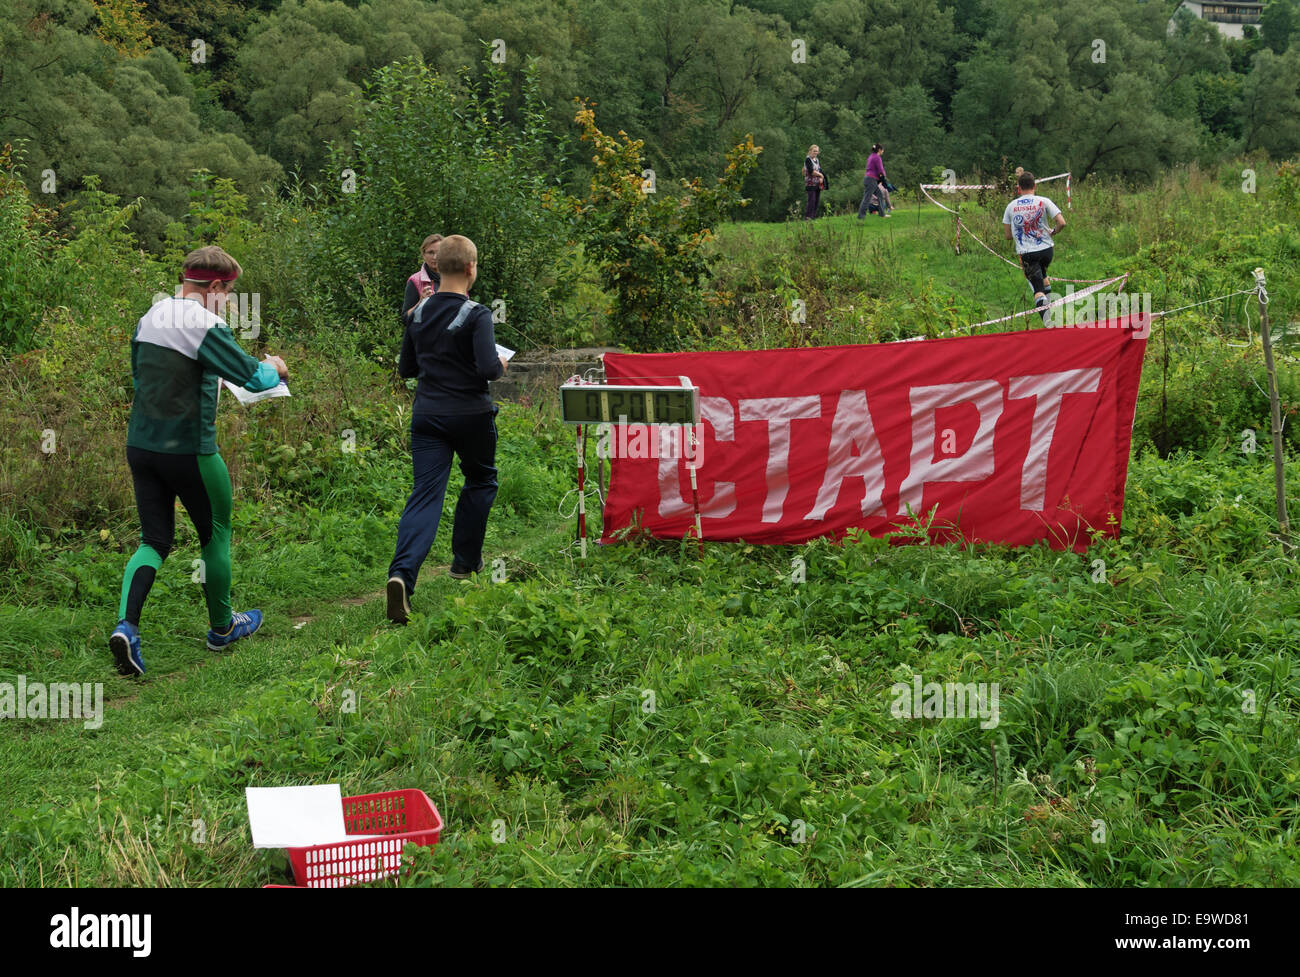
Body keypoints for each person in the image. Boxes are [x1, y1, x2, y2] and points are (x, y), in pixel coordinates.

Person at [109, 246, 289, 676]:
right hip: (190, 451)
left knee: (153, 540)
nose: (227, 301)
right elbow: (252, 376)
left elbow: (141, 376)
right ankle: (222, 629)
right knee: (217, 534)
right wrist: (275, 366)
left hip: (141, 446)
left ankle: (126, 628)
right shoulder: (207, 324)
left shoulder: (150, 316)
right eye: (228, 293)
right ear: (213, 287)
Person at [386, 235, 509, 625]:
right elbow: (490, 369)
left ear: (437, 268)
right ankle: (465, 562)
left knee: (424, 495)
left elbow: (406, 369)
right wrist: (500, 364)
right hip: (470, 415)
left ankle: (401, 575)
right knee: (481, 481)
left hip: (428, 416)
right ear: (471, 268)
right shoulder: (477, 314)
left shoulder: (417, 314)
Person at [1002, 171, 1066, 321]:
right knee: (1042, 275)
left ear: (1018, 188)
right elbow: (1062, 222)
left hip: (1027, 253)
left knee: (1037, 289)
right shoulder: (1044, 201)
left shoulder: (1011, 206)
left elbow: (1007, 236)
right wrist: (1053, 232)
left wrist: (1021, 232)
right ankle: (1048, 307)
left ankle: (1048, 323)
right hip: (1047, 250)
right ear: (1034, 186)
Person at [402, 234, 442, 324]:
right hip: (426, 336)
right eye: (431, 252)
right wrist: (420, 303)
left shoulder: (455, 278)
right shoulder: (415, 280)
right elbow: (405, 319)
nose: (435, 257)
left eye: (439, 252)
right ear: (423, 255)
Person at [857, 144, 891, 219]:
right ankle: (861, 216)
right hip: (871, 180)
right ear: (879, 150)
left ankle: (882, 214)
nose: (883, 151)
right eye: (882, 150)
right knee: (867, 198)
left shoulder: (871, 156)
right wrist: (883, 177)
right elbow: (880, 169)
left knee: (880, 195)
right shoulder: (877, 157)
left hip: (868, 179)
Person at [803, 145, 825, 219]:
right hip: (810, 184)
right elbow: (811, 171)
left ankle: (813, 217)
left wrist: (822, 178)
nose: (815, 152)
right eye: (814, 151)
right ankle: (808, 218)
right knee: (811, 201)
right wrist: (821, 175)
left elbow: (819, 169)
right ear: (810, 151)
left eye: (817, 151)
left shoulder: (817, 160)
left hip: (817, 183)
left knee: (816, 201)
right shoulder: (808, 160)